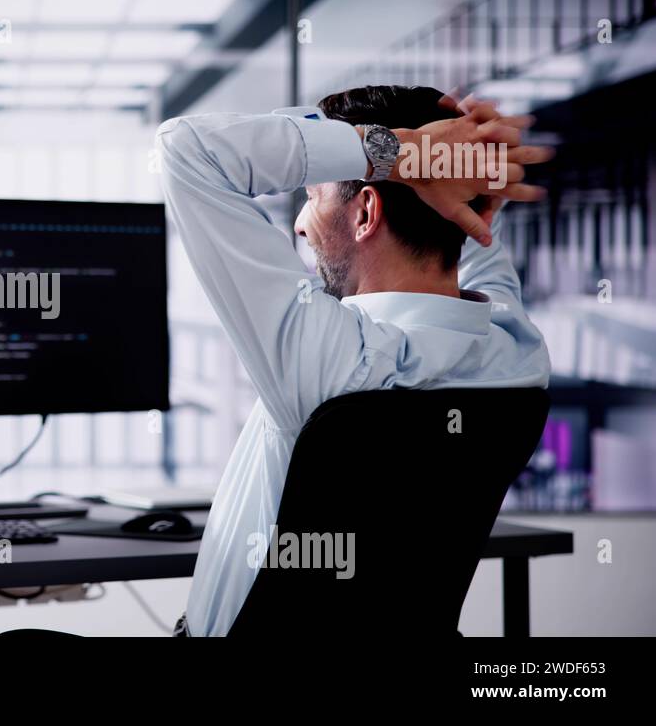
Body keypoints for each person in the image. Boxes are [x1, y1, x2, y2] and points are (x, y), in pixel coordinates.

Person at [154, 85, 554, 636]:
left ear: (366, 211)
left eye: (312, 196)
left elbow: (186, 149)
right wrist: (465, 160)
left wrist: (401, 153)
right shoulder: (516, 352)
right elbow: (480, 239)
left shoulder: (332, 362)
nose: (299, 224)